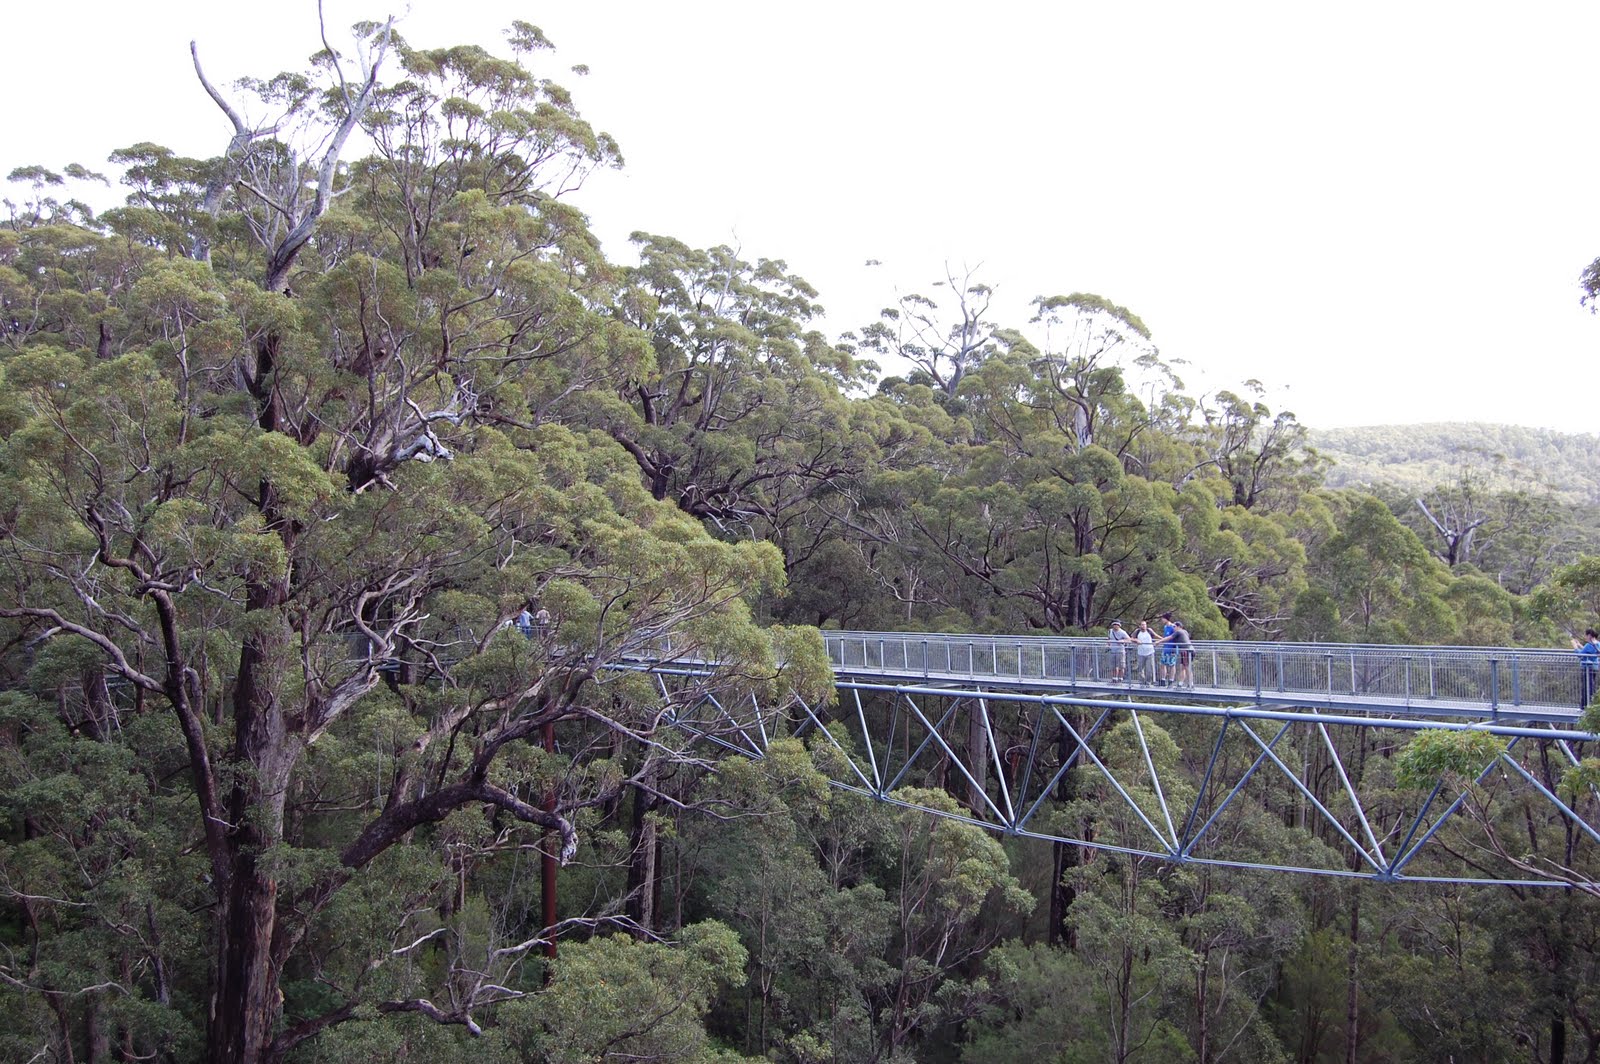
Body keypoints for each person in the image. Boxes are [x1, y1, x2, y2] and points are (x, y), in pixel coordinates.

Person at [1576, 628, 1600, 708]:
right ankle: (1591, 704)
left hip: (1587, 668)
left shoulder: (1588, 645)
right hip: (1595, 667)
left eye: (1586, 635)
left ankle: (1584, 706)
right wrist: (1580, 646)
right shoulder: (1598, 644)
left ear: (1589, 635)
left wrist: (1575, 647)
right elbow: (1590, 652)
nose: (1585, 637)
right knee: (1591, 685)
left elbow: (1580, 655)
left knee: (1586, 687)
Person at [1172, 619, 1194, 689]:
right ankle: (1180, 684)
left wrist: (1159, 641)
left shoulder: (1179, 631)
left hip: (1187, 651)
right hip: (1186, 651)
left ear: (1178, 626)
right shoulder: (1185, 631)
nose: (1173, 628)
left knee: (1187, 668)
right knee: (1182, 667)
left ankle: (1191, 684)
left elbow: (1169, 638)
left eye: (1174, 626)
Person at [1158, 612, 1178, 687]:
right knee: (1163, 664)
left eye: (1163, 618)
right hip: (1165, 648)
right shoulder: (1165, 627)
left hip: (1172, 648)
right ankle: (1163, 680)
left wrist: (1174, 649)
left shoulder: (1173, 627)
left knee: (1172, 665)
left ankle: (1171, 680)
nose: (1162, 620)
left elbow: (1175, 637)